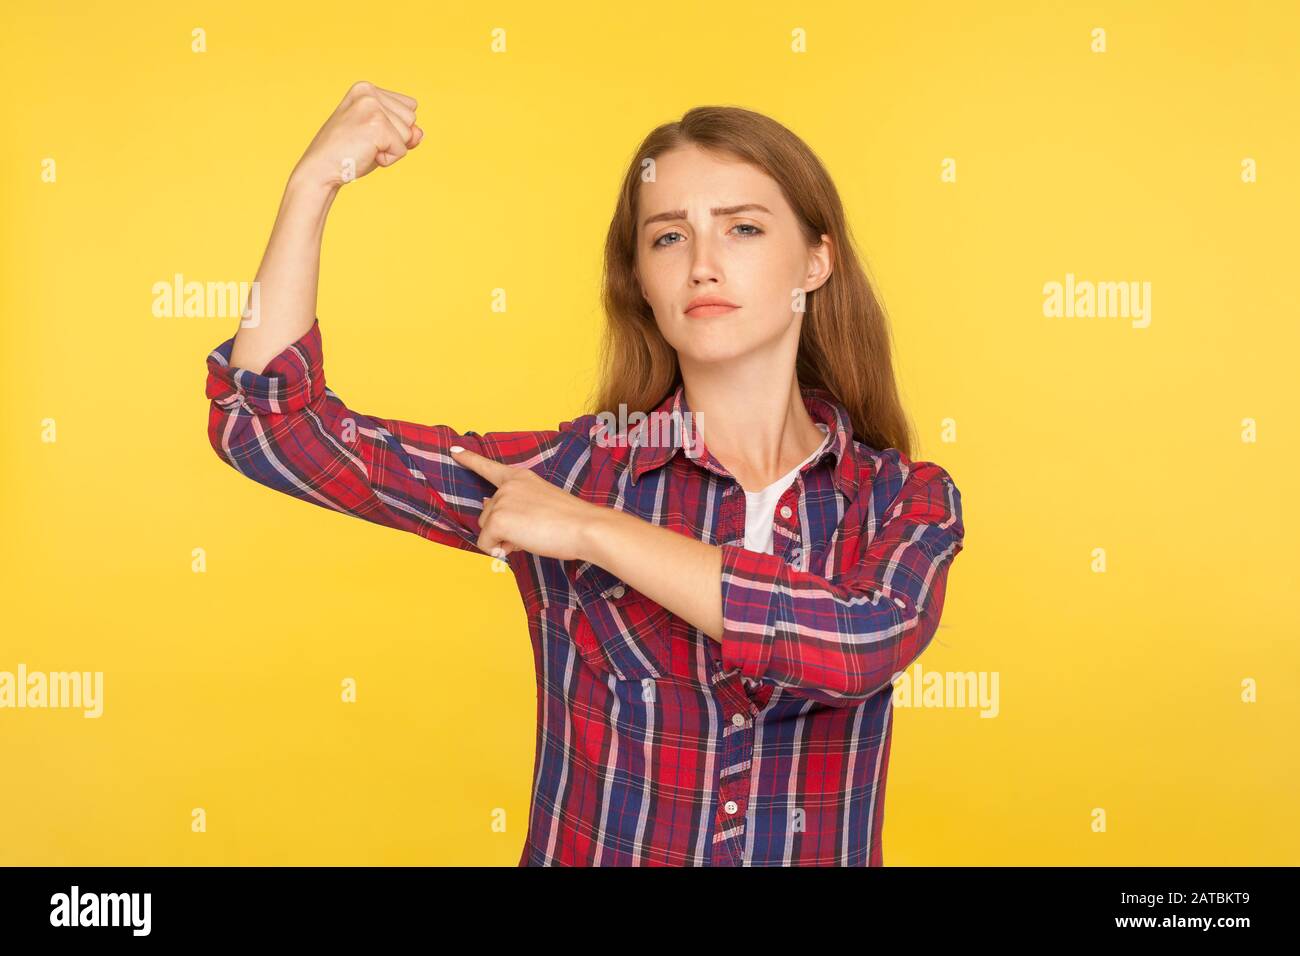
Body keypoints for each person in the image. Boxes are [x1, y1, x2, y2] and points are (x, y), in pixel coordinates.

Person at [204, 81, 965, 866]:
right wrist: (312, 185)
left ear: (815, 260)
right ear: (640, 279)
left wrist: (594, 531)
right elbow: (271, 431)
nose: (703, 264)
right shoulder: (571, 473)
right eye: (668, 238)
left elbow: (856, 645)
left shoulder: (904, 499)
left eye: (742, 228)